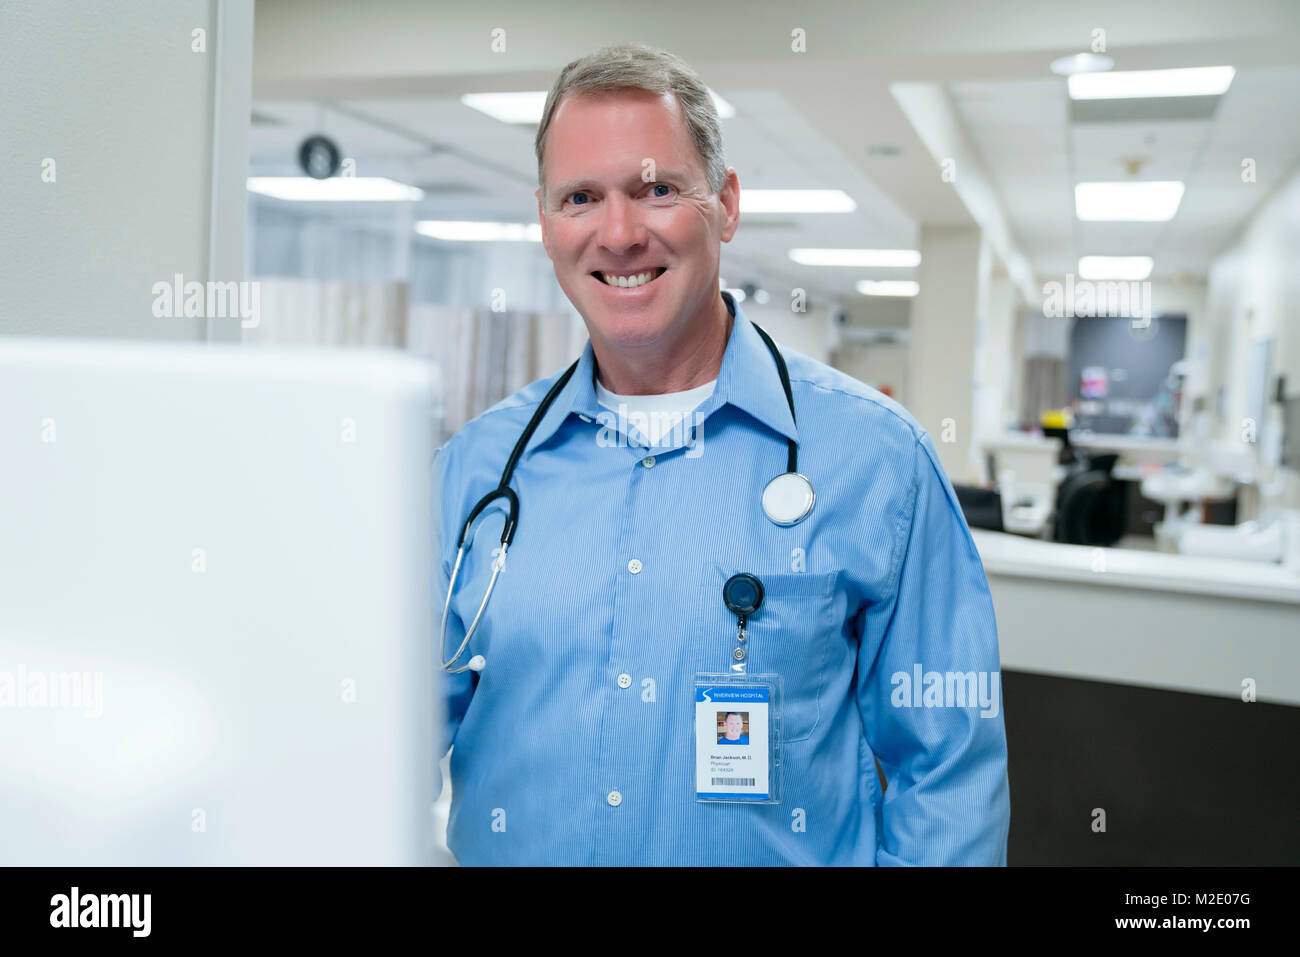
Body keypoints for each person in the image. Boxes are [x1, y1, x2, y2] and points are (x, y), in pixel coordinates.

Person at [432, 42, 1009, 866]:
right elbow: (382, 741)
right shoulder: (474, 474)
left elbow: (948, 775)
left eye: (656, 189)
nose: (620, 232)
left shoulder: (879, 463)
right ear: (546, 221)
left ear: (726, 204)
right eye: (581, 197)